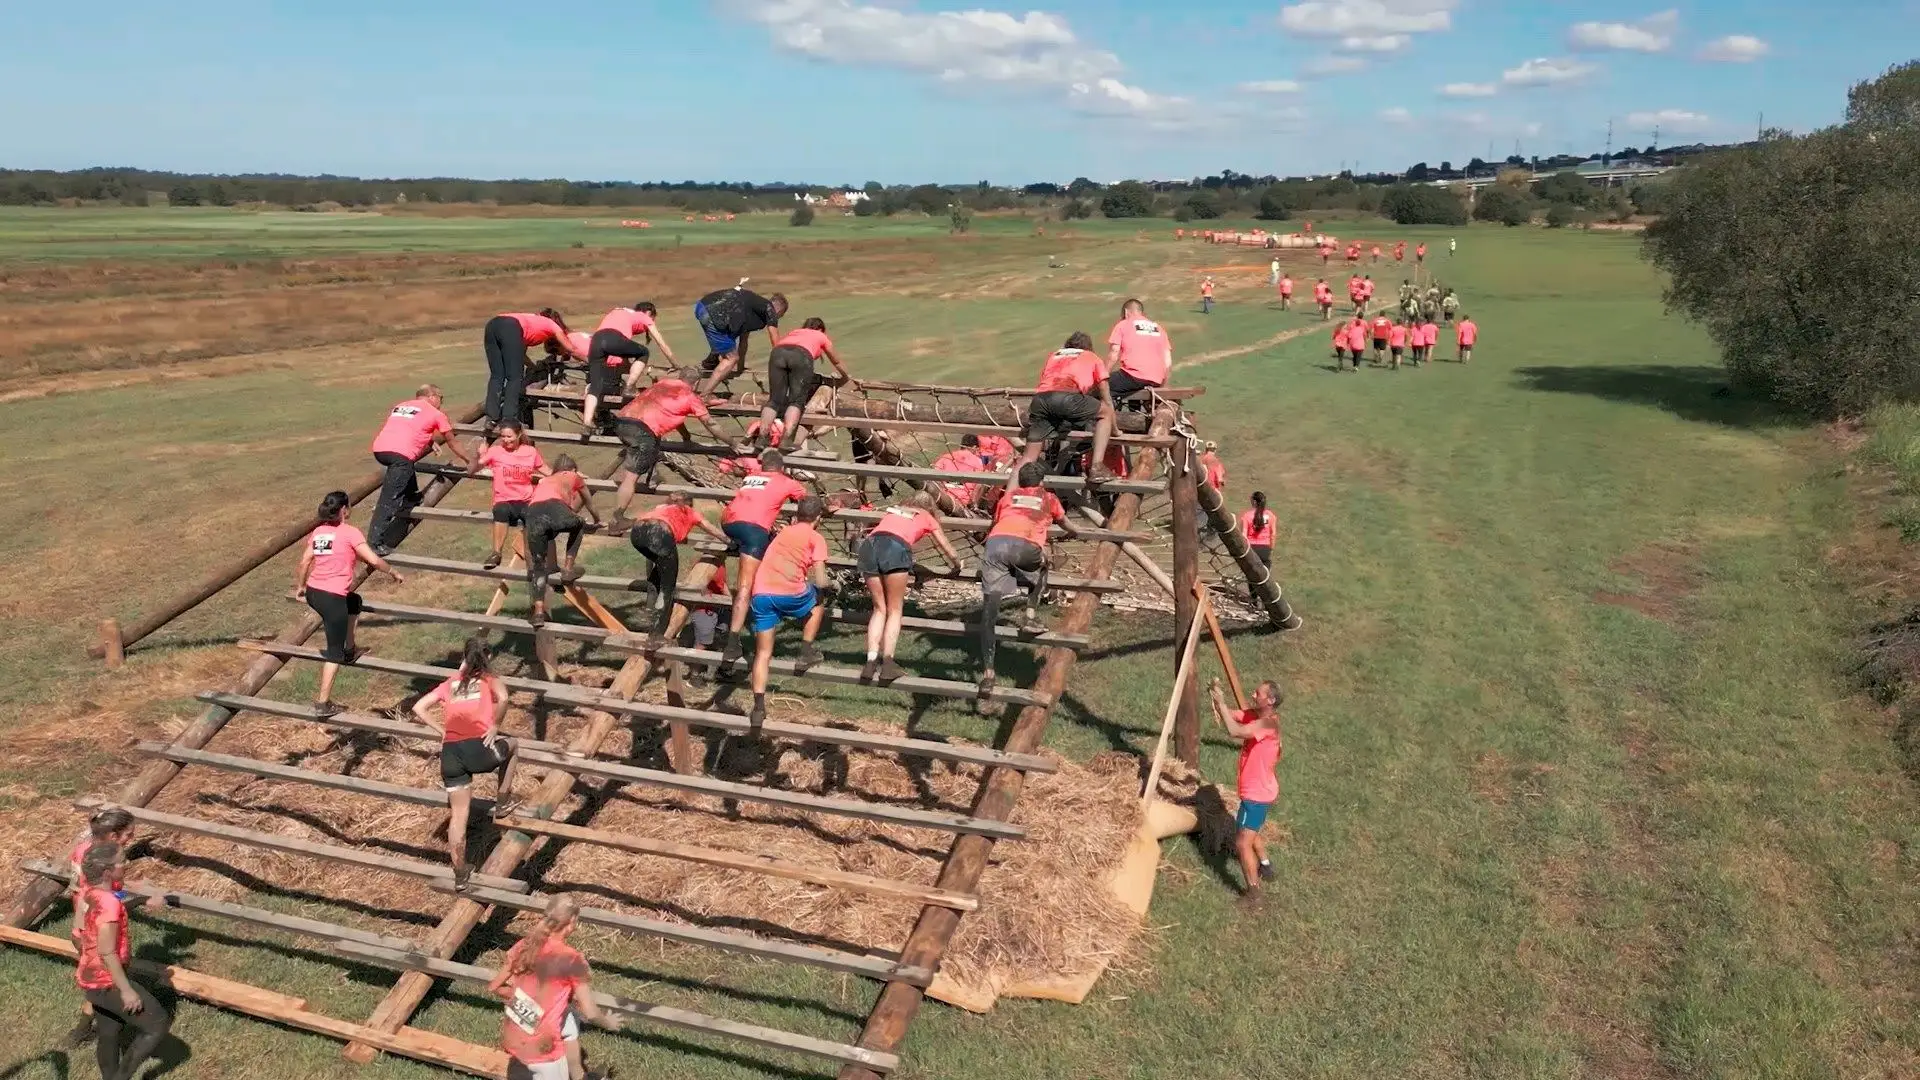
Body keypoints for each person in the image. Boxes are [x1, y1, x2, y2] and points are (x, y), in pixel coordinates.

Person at [413, 635, 520, 891]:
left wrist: (442, 731)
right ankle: (503, 800)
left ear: (464, 657)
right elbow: (504, 698)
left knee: (459, 815)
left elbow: (418, 707)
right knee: (514, 745)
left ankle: (460, 873)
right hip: (478, 749)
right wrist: (495, 726)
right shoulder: (488, 679)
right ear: (489, 657)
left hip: (450, 754)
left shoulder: (450, 683)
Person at [292, 491, 403, 716]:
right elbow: (372, 559)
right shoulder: (350, 532)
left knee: (354, 601)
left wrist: (301, 586)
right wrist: (393, 571)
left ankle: (350, 649)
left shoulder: (320, 532)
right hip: (332, 598)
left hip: (315, 592)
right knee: (334, 653)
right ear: (344, 510)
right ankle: (323, 703)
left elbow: (305, 560)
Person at [74, 842, 175, 1080]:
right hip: (106, 980)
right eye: (121, 861)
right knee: (157, 1024)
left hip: (89, 976)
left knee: (109, 1031)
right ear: (107, 871)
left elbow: (81, 930)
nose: (126, 864)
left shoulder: (90, 892)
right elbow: (108, 952)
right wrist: (127, 990)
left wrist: (140, 900)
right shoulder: (109, 904)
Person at [488, 896, 618, 1080]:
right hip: (544, 1051)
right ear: (572, 922)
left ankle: (581, 1075)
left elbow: (494, 986)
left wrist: (523, 1001)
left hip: (515, 1045)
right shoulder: (572, 959)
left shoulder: (524, 945)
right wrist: (609, 1022)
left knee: (569, 1019)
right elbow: (589, 1012)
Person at [977, 461, 1075, 695]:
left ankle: (988, 674)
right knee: (1043, 564)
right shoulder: (1048, 498)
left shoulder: (1007, 498)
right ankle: (1029, 616)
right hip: (1025, 547)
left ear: (1020, 481)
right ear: (1041, 482)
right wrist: (1075, 532)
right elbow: (1065, 522)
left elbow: (995, 523)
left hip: (995, 545)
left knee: (989, 614)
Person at [716, 451, 813, 670]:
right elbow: (807, 503)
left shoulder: (751, 477)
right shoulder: (787, 481)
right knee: (745, 587)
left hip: (729, 523)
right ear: (781, 467)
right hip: (753, 529)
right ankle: (732, 643)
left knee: (763, 542)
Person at [604, 372, 737, 529]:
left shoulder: (664, 383)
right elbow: (711, 424)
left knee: (644, 453)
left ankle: (651, 477)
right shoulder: (690, 397)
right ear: (696, 383)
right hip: (641, 430)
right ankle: (617, 519)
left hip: (622, 420)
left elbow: (674, 413)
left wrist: (686, 437)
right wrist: (733, 443)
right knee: (630, 477)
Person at [744, 496, 834, 726]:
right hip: (789, 593)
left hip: (761, 593)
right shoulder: (816, 538)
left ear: (798, 514)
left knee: (763, 653)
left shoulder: (784, 532)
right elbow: (821, 580)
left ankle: (758, 707)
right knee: (818, 600)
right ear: (818, 518)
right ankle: (805, 650)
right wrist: (833, 585)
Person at [858, 492, 964, 684]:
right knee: (894, 610)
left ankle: (870, 661)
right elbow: (946, 545)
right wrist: (957, 564)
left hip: (869, 546)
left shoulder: (896, 510)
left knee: (879, 609)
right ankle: (888, 664)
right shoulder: (926, 516)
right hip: (894, 548)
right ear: (931, 506)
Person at [368, 384, 471, 555]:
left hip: (381, 449)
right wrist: (469, 460)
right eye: (441, 398)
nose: (441, 403)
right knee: (389, 500)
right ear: (432, 396)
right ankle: (374, 543)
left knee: (406, 469)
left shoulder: (401, 406)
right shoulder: (436, 414)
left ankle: (412, 496)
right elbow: (453, 442)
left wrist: (430, 441)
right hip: (400, 455)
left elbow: (408, 427)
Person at [1208, 677, 1284, 902]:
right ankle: (1266, 865)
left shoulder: (1268, 724)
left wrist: (1221, 704)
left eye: (1258, 693)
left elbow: (1234, 731)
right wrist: (1217, 698)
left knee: (1242, 842)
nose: (1253, 695)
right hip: (1255, 792)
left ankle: (1254, 893)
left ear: (1270, 700)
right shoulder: (1256, 716)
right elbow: (1234, 716)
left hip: (1257, 796)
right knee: (1250, 829)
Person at [627, 491, 730, 643]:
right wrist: (729, 541)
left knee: (659, 572)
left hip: (636, 533)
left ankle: (650, 606)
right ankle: (656, 635)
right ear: (689, 503)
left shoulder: (662, 507)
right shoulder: (690, 512)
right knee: (668, 588)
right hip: (660, 533)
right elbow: (710, 528)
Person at [1021, 332, 1115, 488]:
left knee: (1028, 458)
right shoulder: (1091, 356)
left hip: (1040, 399)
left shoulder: (1054, 355)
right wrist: (1116, 429)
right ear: (1088, 347)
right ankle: (1097, 467)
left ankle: (1009, 499)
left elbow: (1046, 382)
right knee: (1105, 412)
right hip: (1067, 397)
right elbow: (1106, 397)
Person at [522, 455, 604, 627]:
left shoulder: (545, 480)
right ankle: (567, 568)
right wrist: (597, 520)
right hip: (554, 507)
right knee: (579, 524)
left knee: (538, 566)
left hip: (533, 513)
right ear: (573, 469)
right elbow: (589, 502)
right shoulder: (574, 476)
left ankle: (538, 613)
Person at [580, 301, 679, 434]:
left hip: (596, 341)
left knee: (595, 386)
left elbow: (619, 357)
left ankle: (586, 423)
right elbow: (662, 344)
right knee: (644, 352)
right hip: (612, 338)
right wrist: (675, 365)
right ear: (649, 313)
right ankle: (629, 387)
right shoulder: (643, 316)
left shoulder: (618, 311)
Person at [760, 316, 853, 449]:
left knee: (774, 400)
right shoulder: (820, 335)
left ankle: (762, 439)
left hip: (777, 353)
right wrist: (846, 377)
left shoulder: (795, 332)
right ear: (821, 329)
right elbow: (836, 361)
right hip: (801, 356)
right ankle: (786, 441)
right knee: (796, 402)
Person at [484, 310, 585, 428]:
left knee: (497, 376)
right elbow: (570, 348)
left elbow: (520, 354)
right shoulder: (552, 324)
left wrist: (533, 367)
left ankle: (491, 418)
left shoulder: (531, 320)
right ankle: (509, 418)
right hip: (510, 327)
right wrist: (589, 360)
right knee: (515, 377)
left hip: (492, 325)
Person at [473, 422, 548, 571]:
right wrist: (480, 454)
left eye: (509, 436)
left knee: (533, 515)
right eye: (503, 436)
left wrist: (568, 474)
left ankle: (535, 558)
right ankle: (496, 553)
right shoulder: (495, 451)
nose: (506, 440)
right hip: (504, 499)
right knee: (500, 511)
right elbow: (475, 467)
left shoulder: (530, 451)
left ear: (519, 434)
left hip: (525, 499)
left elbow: (545, 469)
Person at [692, 283, 788, 392]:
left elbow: (743, 341)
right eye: (780, 316)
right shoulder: (769, 309)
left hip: (703, 306)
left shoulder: (754, 307)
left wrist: (740, 369)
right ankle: (705, 396)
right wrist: (786, 368)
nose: (777, 318)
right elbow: (776, 345)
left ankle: (711, 361)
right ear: (780, 311)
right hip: (714, 314)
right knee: (731, 358)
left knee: (729, 338)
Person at [1104, 298, 1173, 401]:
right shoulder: (1159, 328)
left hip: (1134, 376)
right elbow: (1168, 362)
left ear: (1126, 312)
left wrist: (1103, 375)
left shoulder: (1123, 325)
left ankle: (1110, 415)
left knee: (1100, 388)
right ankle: (1135, 412)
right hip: (1157, 379)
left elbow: (1114, 354)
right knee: (1129, 384)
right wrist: (1164, 385)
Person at [932, 435, 991, 510]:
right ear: (974, 447)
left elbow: (935, 474)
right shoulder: (977, 461)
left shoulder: (946, 457)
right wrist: (973, 502)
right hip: (964, 501)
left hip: (944, 497)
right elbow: (979, 485)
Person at [1240, 491, 1275, 569]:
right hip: (1265, 549)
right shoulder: (1270, 515)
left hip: (1251, 548)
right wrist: (1271, 548)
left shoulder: (1247, 515)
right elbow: (1273, 534)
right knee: (1266, 567)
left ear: (1254, 502)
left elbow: (1244, 535)